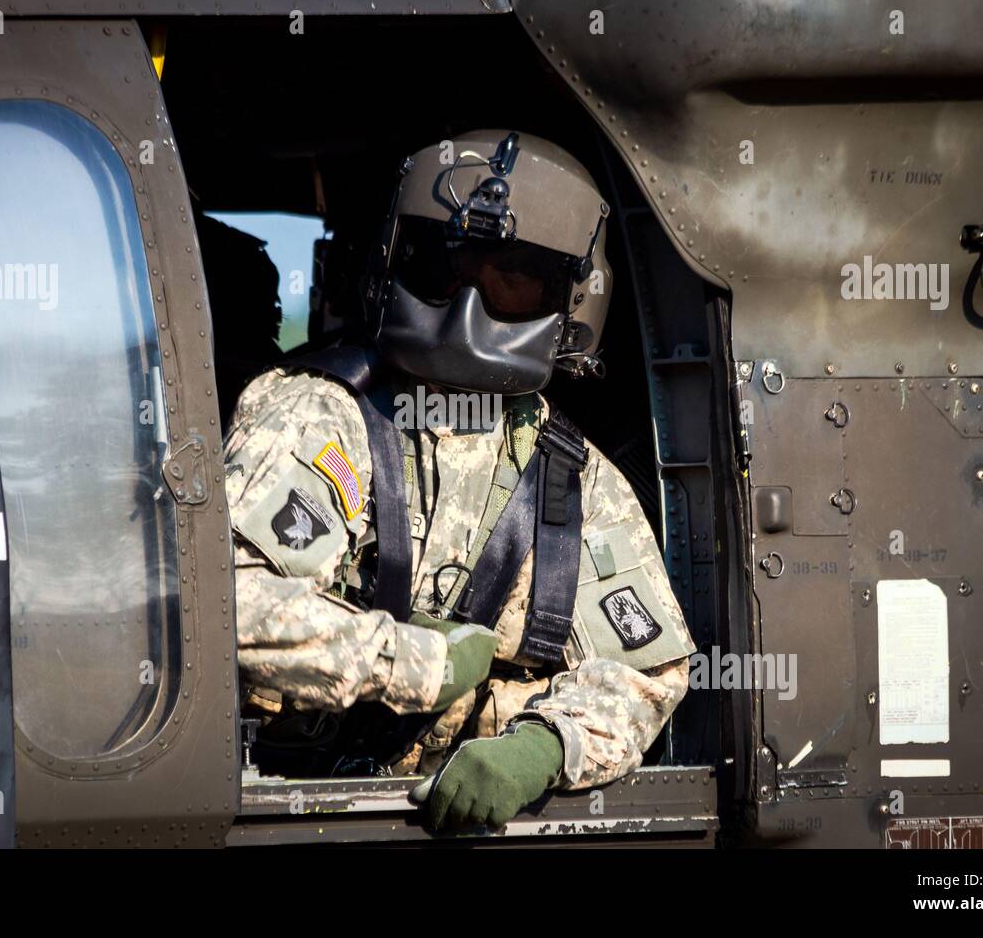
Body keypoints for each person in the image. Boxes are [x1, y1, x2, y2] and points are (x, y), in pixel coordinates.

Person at [223, 129, 695, 831]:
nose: (468, 302)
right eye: (448, 263)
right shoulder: (319, 416)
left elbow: (649, 672)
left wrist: (543, 748)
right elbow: (222, 605)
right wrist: (415, 662)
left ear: (566, 301)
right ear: (396, 261)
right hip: (300, 818)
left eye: (510, 276)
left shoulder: (574, 479)